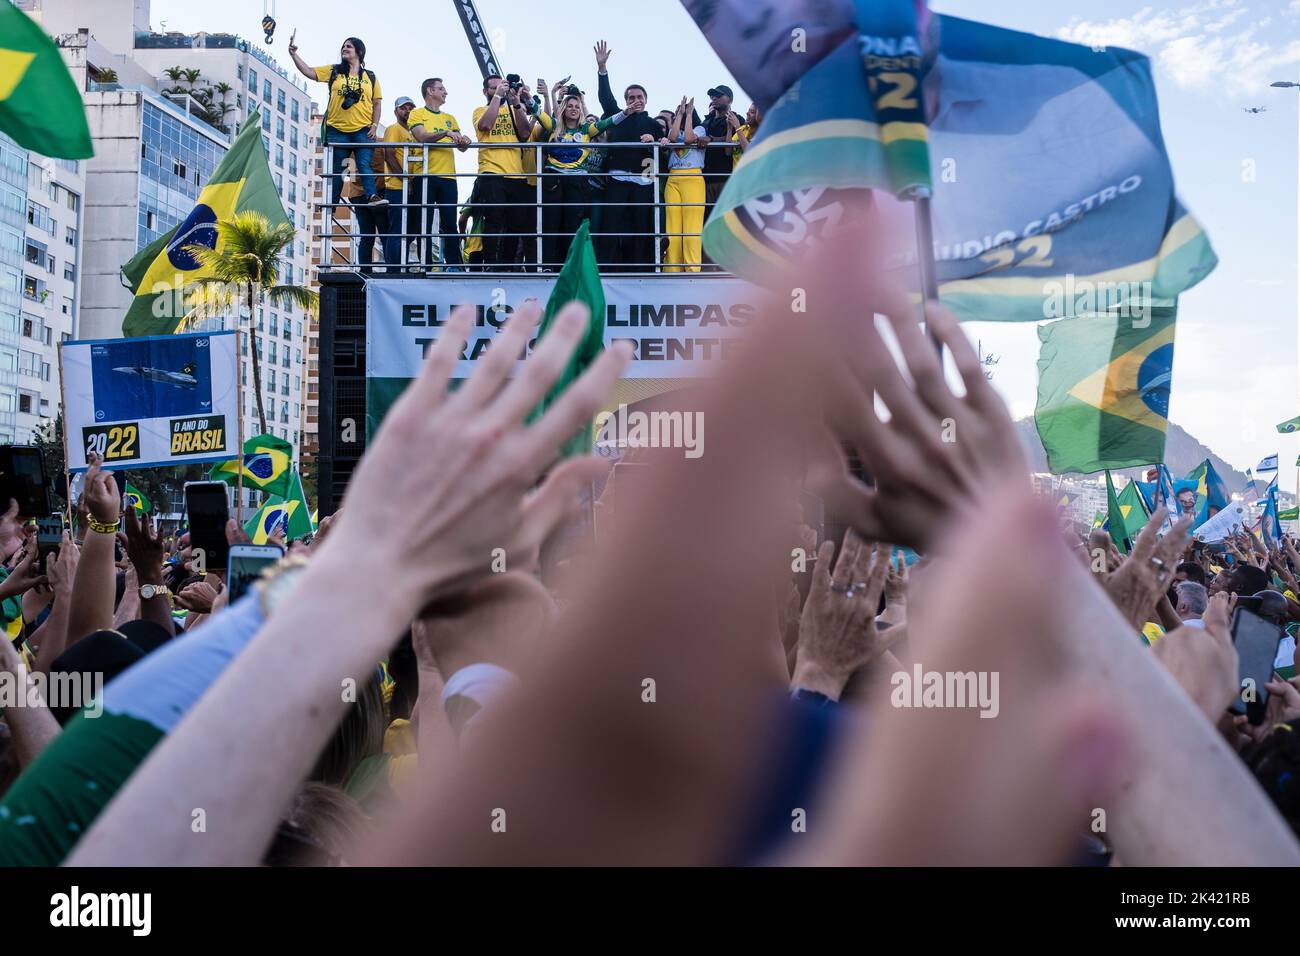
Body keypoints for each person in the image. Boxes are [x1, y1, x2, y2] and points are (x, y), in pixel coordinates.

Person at [288, 33, 386, 207]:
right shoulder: (335, 70)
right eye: (343, 46)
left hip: (363, 129)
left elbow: (377, 103)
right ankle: (331, 205)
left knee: (364, 164)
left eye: (349, 46)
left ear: (359, 51)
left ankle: (372, 196)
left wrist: (374, 125)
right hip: (337, 130)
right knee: (338, 170)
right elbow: (310, 72)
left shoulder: (370, 77)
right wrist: (294, 55)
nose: (344, 48)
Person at [535, 83, 627, 268]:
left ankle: (571, 265)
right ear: (563, 109)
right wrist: (529, 97)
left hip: (577, 182)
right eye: (570, 106)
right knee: (551, 224)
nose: (574, 109)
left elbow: (608, 122)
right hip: (553, 180)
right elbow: (536, 111)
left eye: (577, 106)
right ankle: (546, 265)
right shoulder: (554, 126)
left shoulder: (587, 130)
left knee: (573, 225)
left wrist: (626, 112)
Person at [593, 40, 663, 271]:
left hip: (644, 181)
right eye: (631, 98)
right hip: (618, 179)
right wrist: (602, 69)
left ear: (646, 100)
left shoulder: (654, 124)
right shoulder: (617, 115)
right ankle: (605, 270)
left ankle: (642, 270)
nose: (635, 101)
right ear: (626, 102)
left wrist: (655, 142)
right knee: (610, 226)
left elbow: (661, 156)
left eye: (639, 97)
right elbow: (605, 98)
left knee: (643, 227)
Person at [407, 78, 472, 270]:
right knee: (424, 225)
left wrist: (464, 140)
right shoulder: (417, 113)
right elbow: (421, 137)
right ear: (430, 91)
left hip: (448, 177)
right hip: (425, 176)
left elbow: (460, 147)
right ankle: (426, 266)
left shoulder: (450, 117)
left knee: (449, 224)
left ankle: (454, 266)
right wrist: (446, 133)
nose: (445, 92)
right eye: (441, 88)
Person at [472, 74, 534, 270]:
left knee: (516, 224)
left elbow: (525, 134)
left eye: (502, 86)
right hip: (491, 171)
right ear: (485, 91)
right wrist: (498, 98)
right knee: (493, 220)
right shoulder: (480, 110)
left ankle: (505, 266)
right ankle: (490, 264)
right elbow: (485, 125)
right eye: (494, 88)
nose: (499, 89)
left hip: (517, 174)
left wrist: (516, 103)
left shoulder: (515, 108)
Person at [662, 97, 707, 273]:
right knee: (672, 228)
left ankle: (692, 269)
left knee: (691, 228)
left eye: (685, 109)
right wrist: (679, 114)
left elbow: (689, 139)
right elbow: (673, 138)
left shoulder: (700, 128)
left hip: (693, 178)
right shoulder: (674, 131)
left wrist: (689, 114)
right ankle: (672, 269)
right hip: (673, 179)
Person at [373, 98, 416, 267]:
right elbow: (388, 155)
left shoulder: (413, 133)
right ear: (396, 112)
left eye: (410, 108)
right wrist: (405, 179)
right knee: (397, 229)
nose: (407, 111)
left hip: (410, 187)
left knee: (411, 229)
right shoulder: (393, 129)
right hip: (397, 187)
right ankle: (394, 267)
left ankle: (401, 264)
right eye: (403, 108)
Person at [731, 103, 762, 169]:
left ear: (759, 117)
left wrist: (737, 127)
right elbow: (728, 151)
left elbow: (750, 153)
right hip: (737, 176)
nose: (747, 113)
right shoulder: (742, 129)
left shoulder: (763, 133)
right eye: (748, 111)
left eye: (752, 112)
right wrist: (729, 128)